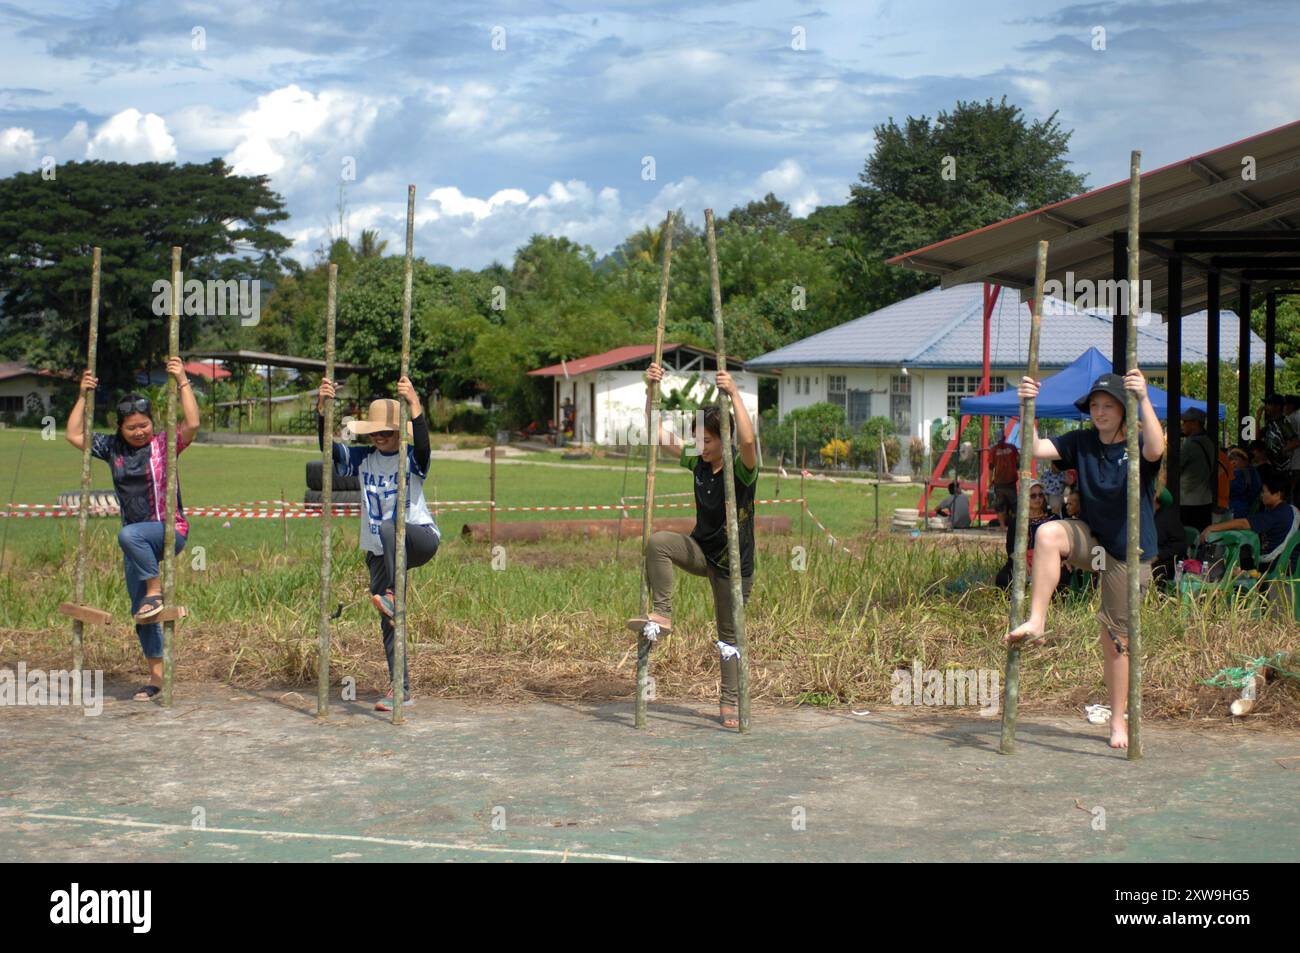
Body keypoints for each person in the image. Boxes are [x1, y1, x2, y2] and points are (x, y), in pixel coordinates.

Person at [1006, 370, 1164, 750]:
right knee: (1046, 533)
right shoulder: (1083, 441)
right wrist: (1028, 404)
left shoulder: (1137, 444)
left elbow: (1157, 449)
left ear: (1123, 411)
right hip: (1094, 543)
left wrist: (1143, 397)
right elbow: (1035, 449)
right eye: (1094, 406)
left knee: (1116, 643)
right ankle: (1038, 620)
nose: (1100, 412)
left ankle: (1119, 720)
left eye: (1108, 405)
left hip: (1128, 552)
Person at [630, 362, 757, 730]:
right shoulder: (698, 463)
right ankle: (663, 613)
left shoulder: (740, 467)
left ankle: (729, 701)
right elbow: (658, 435)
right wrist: (651, 391)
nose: (701, 447)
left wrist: (733, 392)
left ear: (724, 440)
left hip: (733, 565)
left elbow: (748, 442)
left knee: (728, 637)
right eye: (698, 439)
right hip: (701, 551)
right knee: (659, 543)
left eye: (709, 441)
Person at [65, 359, 200, 701]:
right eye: (132, 427)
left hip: (169, 531)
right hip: (136, 547)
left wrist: (182, 378)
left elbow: (193, 422)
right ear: (120, 429)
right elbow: (73, 434)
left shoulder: (164, 444)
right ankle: (156, 678)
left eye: (145, 425)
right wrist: (83, 395)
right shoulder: (113, 450)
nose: (140, 432)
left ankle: (155, 589)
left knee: (129, 535)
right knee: (141, 613)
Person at [318, 376, 439, 712]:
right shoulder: (362, 459)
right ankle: (400, 689)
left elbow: (426, 446)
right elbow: (327, 451)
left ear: (399, 433)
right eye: (375, 433)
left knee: (390, 526)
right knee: (389, 621)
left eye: (387, 432)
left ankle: (392, 596)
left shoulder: (412, 458)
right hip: (378, 550)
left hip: (418, 538)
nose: (380, 438)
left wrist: (415, 407)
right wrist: (322, 411)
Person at [1199, 467, 1299, 573]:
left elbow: (1243, 523)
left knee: (1236, 556)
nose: (1261, 496)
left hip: (1274, 564)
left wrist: (1212, 527)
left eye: (1264, 492)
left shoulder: (1276, 514)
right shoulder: (1289, 510)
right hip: (1288, 562)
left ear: (1278, 494)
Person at [993, 482, 1059, 589]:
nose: (1038, 499)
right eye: (1033, 496)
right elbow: (1011, 549)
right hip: (1022, 560)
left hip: (1049, 560)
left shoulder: (1053, 519)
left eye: (1040, 495)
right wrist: (1023, 562)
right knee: (1003, 578)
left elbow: (1062, 544)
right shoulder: (1017, 522)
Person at [1178, 407, 1216, 532]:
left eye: (1185, 422)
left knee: (1188, 537)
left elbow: (1175, 467)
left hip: (1189, 501)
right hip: (1205, 499)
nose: (1183, 425)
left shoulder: (1190, 444)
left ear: (1194, 423)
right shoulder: (1208, 442)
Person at [1152, 485, 1186, 586]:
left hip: (1166, 563)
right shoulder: (1143, 516)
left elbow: (1180, 546)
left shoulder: (1168, 518)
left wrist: (1158, 555)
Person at [1227, 446, 1261, 518]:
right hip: (1246, 508)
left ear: (1244, 460)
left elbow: (1228, 490)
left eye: (1235, 459)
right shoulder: (1252, 471)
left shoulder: (1239, 473)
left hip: (1237, 509)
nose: (1232, 462)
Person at [989, 436, 1019, 512]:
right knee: (1014, 504)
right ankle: (1015, 521)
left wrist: (990, 481)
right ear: (1004, 438)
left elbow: (991, 467)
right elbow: (1018, 460)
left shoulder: (993, 450)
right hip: (1011, 481)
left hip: (999, 482)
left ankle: (1002, 523)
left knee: (1000, 505)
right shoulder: (1012, 447)